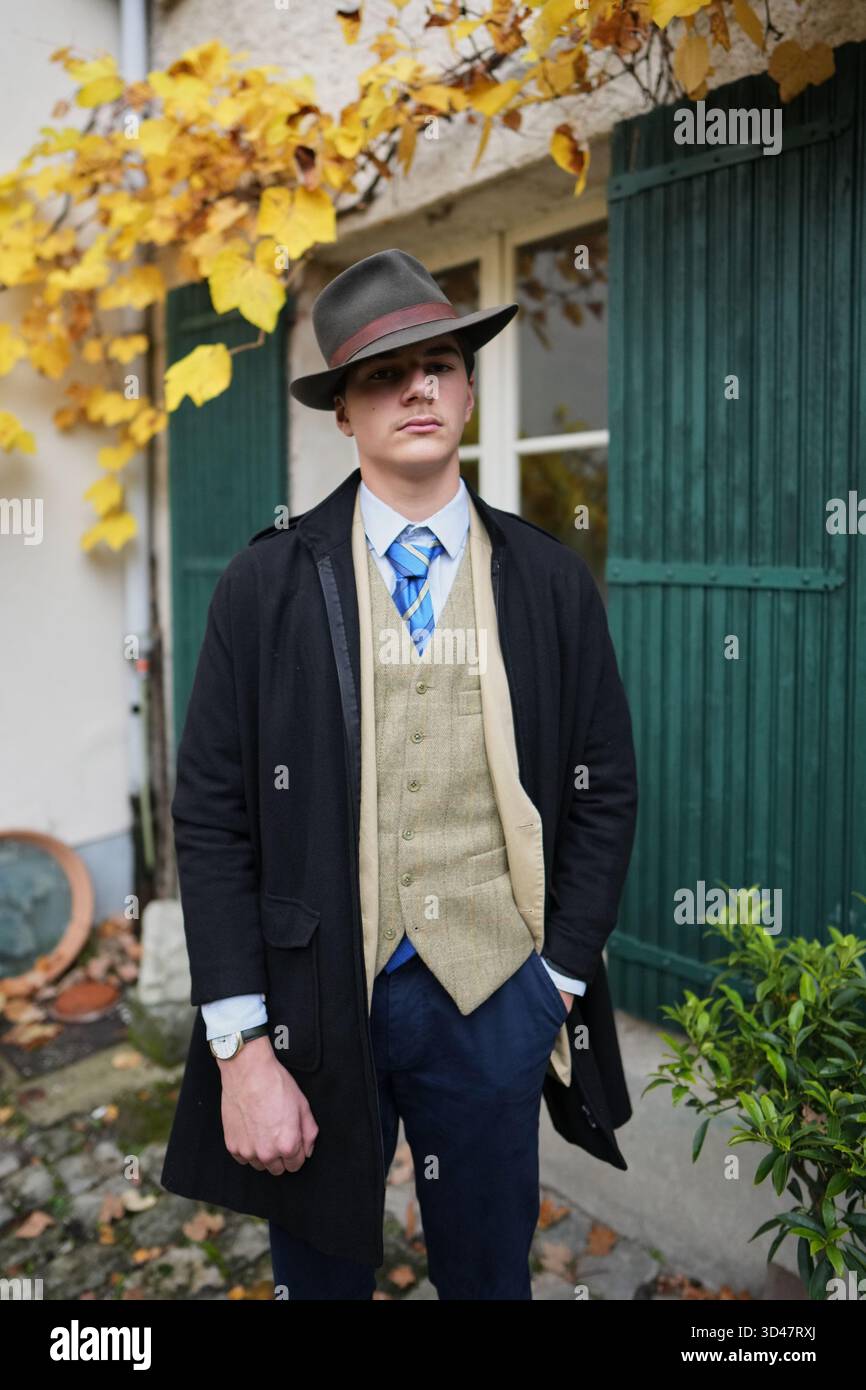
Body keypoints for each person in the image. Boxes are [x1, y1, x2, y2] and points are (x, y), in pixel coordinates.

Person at [160, 248, 639, 1300]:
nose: (416, 387)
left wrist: (552, 979)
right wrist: (242, 1047)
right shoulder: (263, 583)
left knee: (487, 1273)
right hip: (318, 999)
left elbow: (602, 791)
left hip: (492, 995)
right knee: (321, 1275)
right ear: (344, 409)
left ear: (467, 388)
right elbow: (209, 819)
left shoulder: (550, 582)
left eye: (438, 364)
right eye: (384, 372)